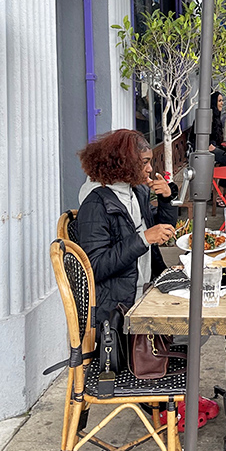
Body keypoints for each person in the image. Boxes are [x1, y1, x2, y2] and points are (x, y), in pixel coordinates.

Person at [76, 129, 177, 324]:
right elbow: (94, 267)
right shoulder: (95, 204)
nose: (150, 169)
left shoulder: (135, 191)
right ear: (124, 163)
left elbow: (163, 231)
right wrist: (143, 239)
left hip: (147, 287)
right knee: (190, 329)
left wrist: (166, 199)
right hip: (118, 307)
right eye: (144, 162)